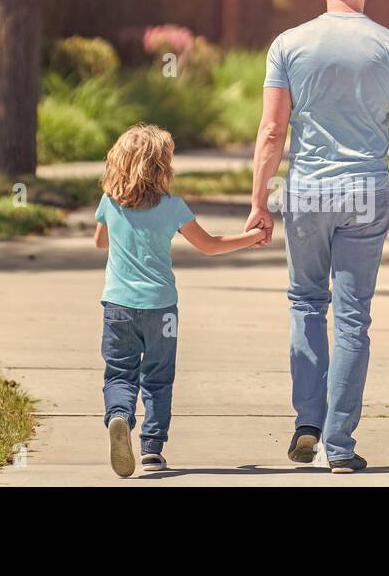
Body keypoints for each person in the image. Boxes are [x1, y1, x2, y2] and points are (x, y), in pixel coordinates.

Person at [244, 0, 389, 474]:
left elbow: (270, 130)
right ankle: (338, 444)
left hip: (305, 192)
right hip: (364, 193)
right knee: (353, 319)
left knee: (306, 303)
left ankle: (306, 422)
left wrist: (260, 199)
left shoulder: (288, 45)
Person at [94, 124, 266, 477]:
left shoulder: (109, 203)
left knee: (120, 374)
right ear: (161, 169)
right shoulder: (173, 208)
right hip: (161, 309)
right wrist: (250, 238)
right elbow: (210, 246)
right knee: (158, 378)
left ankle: (120, 417)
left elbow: (100, 242)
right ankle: (152, 450)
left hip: (117, 307)